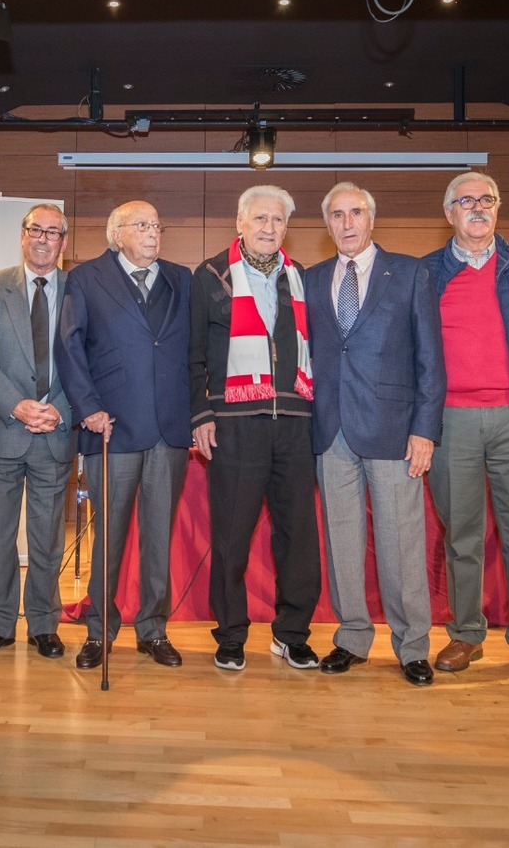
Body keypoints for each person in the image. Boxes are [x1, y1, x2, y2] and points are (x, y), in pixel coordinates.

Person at [305, 182, 445, 686]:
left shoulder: (410, 273)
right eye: (337, 215)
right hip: (331, 431)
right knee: (341, 540)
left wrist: (425, 429)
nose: (346, 223)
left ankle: (411, 646)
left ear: (371, 218)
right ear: (327, 224)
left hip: (393, 430)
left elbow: (431, 359)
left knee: (401, 540)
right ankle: (352, 637)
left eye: (355, 213)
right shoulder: (312, 278)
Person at [422, 172, 509, 685]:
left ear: (498, 209)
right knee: (462, 534)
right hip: (449, 421)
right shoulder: (427, 272)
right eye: (466, 201)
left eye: (487, 200)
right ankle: (466, 633)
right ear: (449, 213)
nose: (477, 208)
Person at [55, 200, 191, 670]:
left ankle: (153, 629)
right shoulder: (86, 278)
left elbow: (192, 351)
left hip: (169, 428)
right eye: (142, 226)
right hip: (110, 426)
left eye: (157, 225)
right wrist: (88, 408)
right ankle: (100, 631)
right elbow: (69, 346)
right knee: (108, 537)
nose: (153, 233)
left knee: (158, 538)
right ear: (117, 234)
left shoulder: (181, 278)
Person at [190, 185, 321, 672]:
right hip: (234, 425)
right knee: (231, 535)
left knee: (298, 537)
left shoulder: (301, 277)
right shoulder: (209, 276)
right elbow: (193, 356)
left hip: (294, 423)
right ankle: (230, 634)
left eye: (278, 221)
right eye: (260, 219)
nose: (269, 228)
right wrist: (200, 415)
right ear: (239, 223)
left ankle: (291, 635)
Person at [0, 204, 76, 659]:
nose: (44, 239)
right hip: (3, 428)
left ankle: (44, 623)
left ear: (64, 241)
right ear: (22, 234)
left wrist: (60, 410)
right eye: (36, 229)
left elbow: (88, 361)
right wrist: (18, 406)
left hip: (55, 431)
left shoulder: (79, 290)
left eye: (53, 232)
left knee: (48, 535)